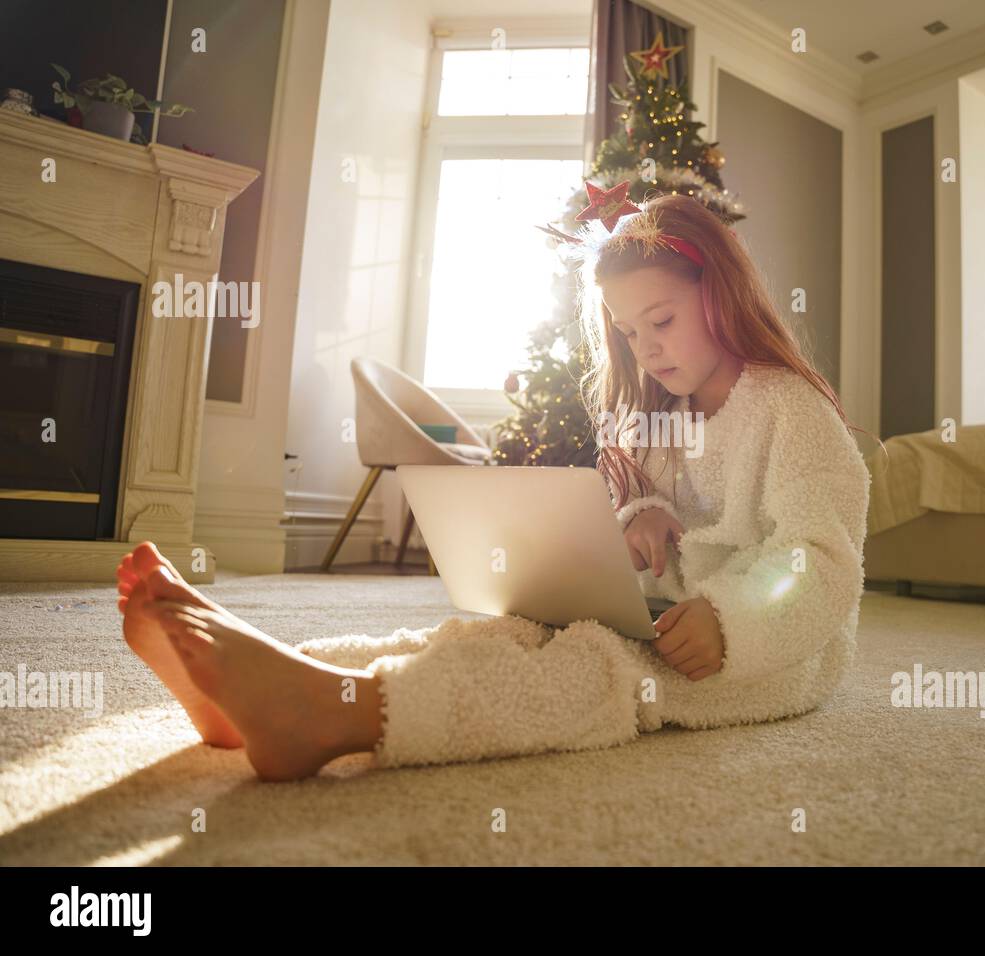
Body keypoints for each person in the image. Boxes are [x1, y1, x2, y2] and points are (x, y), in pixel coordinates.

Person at [116, 186, 872, 781]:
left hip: (770, 656)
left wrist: (729, 621)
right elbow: (648, 502)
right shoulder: (661, 412)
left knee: (597, 671)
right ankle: (289, 675)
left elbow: (820, 562)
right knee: (506, 634)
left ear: (719, 294)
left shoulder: (790, 410)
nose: (645, 349)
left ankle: (332, 715)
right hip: (665, 619)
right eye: (627, 333)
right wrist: (639, 514)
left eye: (662, 321)